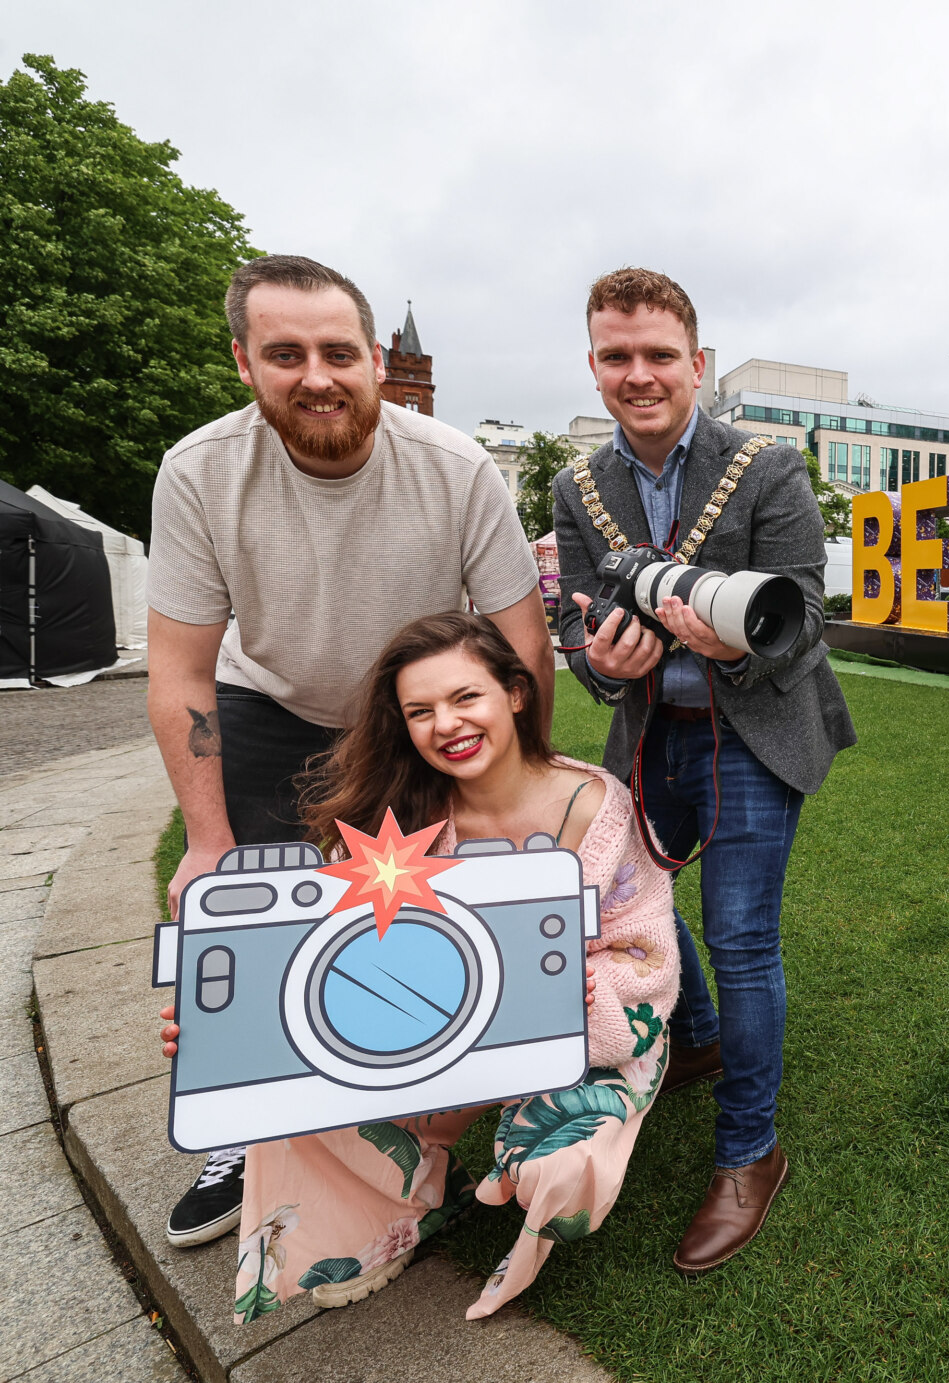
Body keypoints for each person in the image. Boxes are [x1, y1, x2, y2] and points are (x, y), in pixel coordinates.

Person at [147, 255, 553, 1250]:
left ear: (377, 360)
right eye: (286, 353)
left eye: (338, 352)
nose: (316, 375)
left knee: (408, 919)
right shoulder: (198, 470)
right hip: (265, 698)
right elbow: (180, 671)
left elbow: (524, 645)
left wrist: (516, 791)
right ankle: (242, 1132)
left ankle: (416, 1119)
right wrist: (205, 840)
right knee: (251, 914)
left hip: (406, 717)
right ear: (246, 364)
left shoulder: (456, 468)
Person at [160, 613, 678, 1320]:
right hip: (445, 1033)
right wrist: (231, 1032)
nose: (447, 723)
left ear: (516, 693)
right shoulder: (398, 819)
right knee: (291, 1104)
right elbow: (332, 960)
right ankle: (419, 1196)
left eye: (467, 696)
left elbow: (646, 954)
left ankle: (506, 1150)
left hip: (582, 1027)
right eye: (421, 711)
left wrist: (581, 997)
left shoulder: (599, 807)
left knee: (559, 1165)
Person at [553, 267, 854, 1274]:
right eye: (616, 356)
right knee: (626, 901)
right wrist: (596, 659)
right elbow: (577, 615)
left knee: (741, 933)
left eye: (658, 356)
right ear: (595, 365)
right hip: (651, 734)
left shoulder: (765, 467)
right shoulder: (576, 486)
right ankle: (704, 1035)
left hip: (754, 731)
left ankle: (746, 1153)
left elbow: (807, 616)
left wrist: (732, 644)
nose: (639, 375)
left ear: (696, 364)